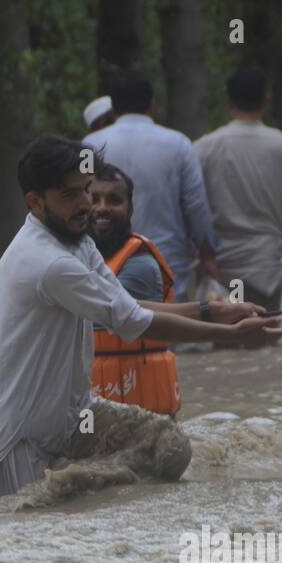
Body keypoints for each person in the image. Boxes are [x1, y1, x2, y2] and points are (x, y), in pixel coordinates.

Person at [0, 137, 281, 506]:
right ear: (35, 202)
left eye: (86, 190)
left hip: (74, 416)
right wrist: (230, 335)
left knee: (168, 447)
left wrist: (210, 310)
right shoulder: (49, 262)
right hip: (20, 437)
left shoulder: (77, 243)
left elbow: (124, 304)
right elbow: (133, 322)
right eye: (68, 195)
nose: (84, 205)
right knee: (28, 521)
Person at [84, 71, 219, 300]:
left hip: (105, 264)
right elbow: (195, 206)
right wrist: (208, 257)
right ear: (151, 104)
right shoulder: (179, 145)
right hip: (166, 266)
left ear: (113, 108)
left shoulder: (90, 146)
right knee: (166, 331)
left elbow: (79, 199)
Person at [195, 66, 282, 310]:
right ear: (265, 101)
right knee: (265, 337)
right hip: (269, 264)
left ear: (228, 101)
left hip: (223, 266)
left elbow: (192, 204)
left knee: (227, 338)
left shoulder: (205, 147)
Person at [86, 163, 182, 414]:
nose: (102, 208)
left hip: (144, 417)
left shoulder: (140, 266)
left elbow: (104, 314)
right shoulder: (77, 258)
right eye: (93, 199)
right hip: (98, 410)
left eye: (113, 200)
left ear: (130, 209)